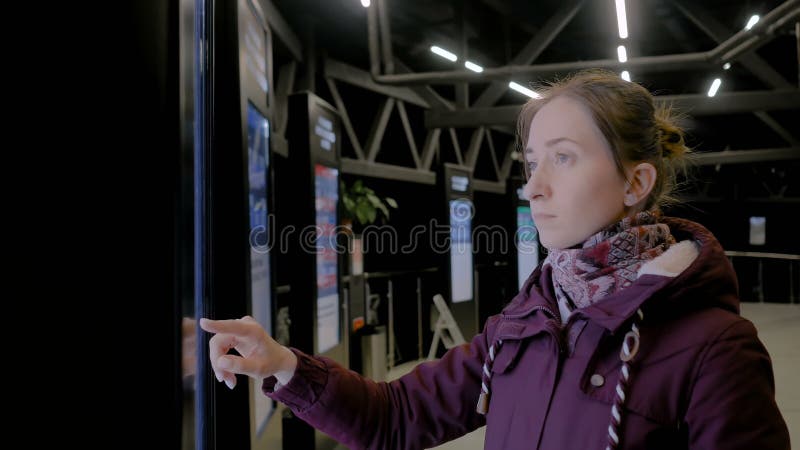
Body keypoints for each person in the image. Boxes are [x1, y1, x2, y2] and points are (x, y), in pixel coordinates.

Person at [200, 69, 790, 450]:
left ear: (636, 180)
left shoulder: (716, 349)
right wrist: (283, 366)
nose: (534, 188)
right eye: (532, 163)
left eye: (562, 158)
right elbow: (396, 415)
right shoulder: (526, 322)